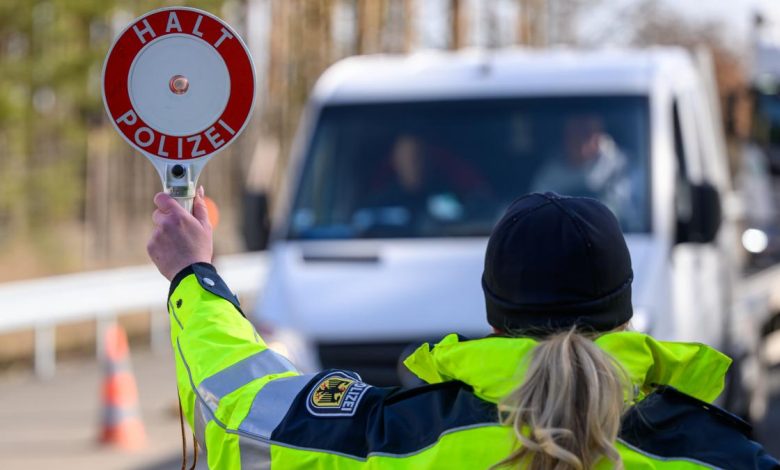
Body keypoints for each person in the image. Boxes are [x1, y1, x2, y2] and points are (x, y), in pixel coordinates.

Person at [148, 188, 779, 469]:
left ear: (494, 310)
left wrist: (193, 275)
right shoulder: (723, 457)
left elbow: (237, 409)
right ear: (625, 309)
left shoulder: (394, 438)